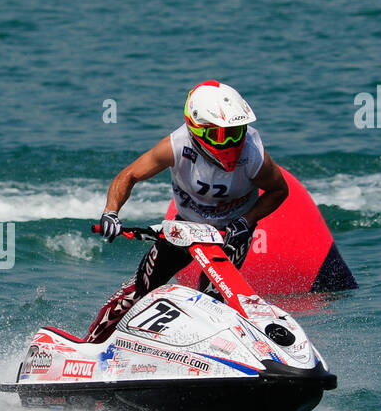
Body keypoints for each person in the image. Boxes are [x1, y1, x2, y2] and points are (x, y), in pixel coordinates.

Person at [84, 81, 289, 343]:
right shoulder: (177, 145)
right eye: (219, 135)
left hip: (230, 233)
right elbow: (129, 175)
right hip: (185, 227)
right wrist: (111, 212)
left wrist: (246, 221)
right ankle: (91, 344)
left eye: (236, 132)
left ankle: (205, 353)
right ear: (197, 130)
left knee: (213, 304)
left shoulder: (253, 153)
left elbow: (279, 190)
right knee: (141, 290)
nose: (230, 142)